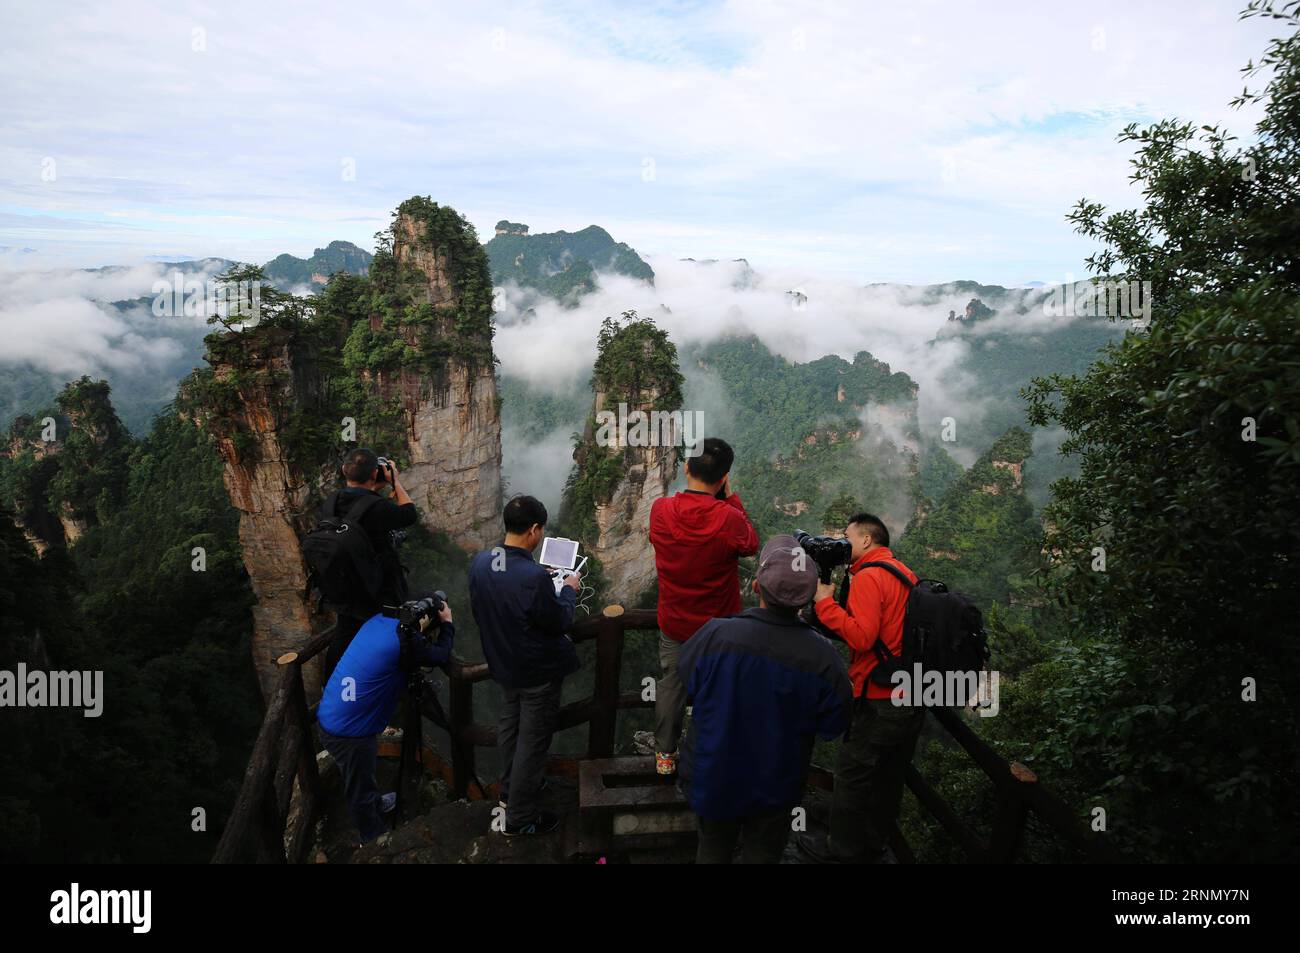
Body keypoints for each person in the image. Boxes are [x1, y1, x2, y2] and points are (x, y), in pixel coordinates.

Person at [678, 535, 851, 863]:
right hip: (777, 784)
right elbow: (834, 724)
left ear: (756, 586)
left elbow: (688, 681)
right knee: (764, 853)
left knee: (712, 847)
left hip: (714, 773)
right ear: (806, 599)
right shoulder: (824, 659)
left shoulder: (716, 634)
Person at [796, 512, 922, 864]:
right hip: (909, 694)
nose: (842, 543)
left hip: (879, 697)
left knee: (854, 775)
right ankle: (873, 843)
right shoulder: (902, 573)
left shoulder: (869, 577)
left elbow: (863, 637)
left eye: (847, 537)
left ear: (866, 540)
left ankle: (841, 850)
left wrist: (823, 602)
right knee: (888, 778)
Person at [468, 495, 581, 836]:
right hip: (536, 672)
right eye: (541, 531)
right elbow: (558, 620)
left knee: (510, 728)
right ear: (534, 530)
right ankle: (520, 818)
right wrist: (569, 590)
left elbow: (486, 608)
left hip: (504, 665)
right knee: (532, 743)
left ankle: (509, 791)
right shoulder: (534, 578)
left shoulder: (481, 562)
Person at [648, 436, 758, 775]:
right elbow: (750, 544)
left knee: (671, 685)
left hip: (675, 622)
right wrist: (731, 499)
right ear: (724, 478)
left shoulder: (660, 510)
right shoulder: (728, 518)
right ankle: (708, 758)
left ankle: (665, 757)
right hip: (719, 628)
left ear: (685, 468)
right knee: (718, 688)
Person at [317, 597, 454, 847]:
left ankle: (376, 805)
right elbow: (441, 655)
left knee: (364, 776)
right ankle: (372, 840)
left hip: (335, 714)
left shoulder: (379, 620)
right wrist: (447, 624)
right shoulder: (405, 640)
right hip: (349, 733)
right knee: (358, 787)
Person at [322, 448, 418, 680]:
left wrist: (374, 487)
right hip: (377, 592)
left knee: (344, 635)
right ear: (375, 473)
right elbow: (409, 514)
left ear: (344, 470)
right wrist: (395, 481)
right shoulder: (379, 509)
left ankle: (331, 684)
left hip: (343, 587)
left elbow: (358, 509)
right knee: (391, 636)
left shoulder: (331, 502)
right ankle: (393, 683)